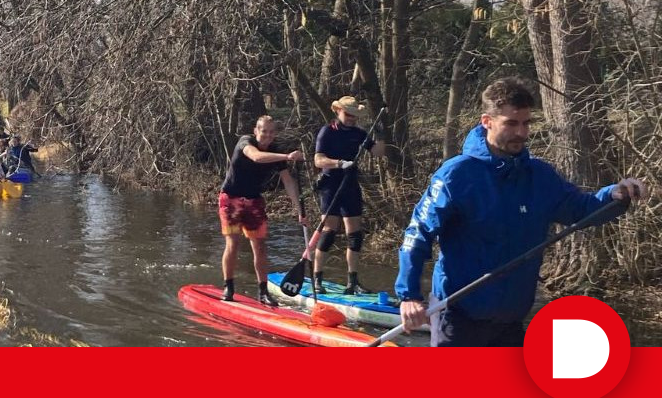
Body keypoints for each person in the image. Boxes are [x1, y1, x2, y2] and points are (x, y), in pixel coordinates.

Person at [395, 77, 645, 346]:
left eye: (526, 123)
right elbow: (418, 233)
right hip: (458, 318)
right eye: (511, 124)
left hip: (510, 322)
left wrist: (615, 195)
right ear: (487, 121)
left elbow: (581, 209)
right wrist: (409, 296)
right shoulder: (457, 174)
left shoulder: (540, 175)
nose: (521, 133)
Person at [218, 116, 307, 305]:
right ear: (256, 131)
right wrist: (287, 156)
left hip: (254, 200)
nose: (267, 135)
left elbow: (288, 181)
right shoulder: (246, 142)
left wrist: (299, 209)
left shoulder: (275, 150)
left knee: (260, 247)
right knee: (233, 244)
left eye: (271, 132)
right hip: (231, 198)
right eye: (263, 131)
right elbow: (257, 157)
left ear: (274, 134)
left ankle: (263, 292)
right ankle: (228, 287)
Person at [311, 96, 386, 295]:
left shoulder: (360, 133)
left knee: (355, 234)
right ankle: (317, 277)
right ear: (338, 112)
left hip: (350, 185)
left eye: (354, 116)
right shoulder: (327, 132)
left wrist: (380, 134)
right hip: (331, 185)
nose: (351, 118)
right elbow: (318, 160)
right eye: (348, 114)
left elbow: (379, 152)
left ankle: (352, 282)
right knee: (329, 231)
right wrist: (339, 163)